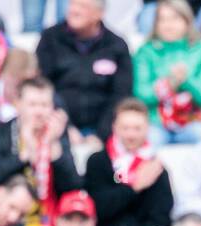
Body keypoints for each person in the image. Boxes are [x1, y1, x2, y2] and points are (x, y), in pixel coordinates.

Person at [0, 75, 82, 226]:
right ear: (17, 104)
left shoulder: (57, 135)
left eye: (45, 105)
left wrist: (55, 150)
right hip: (10, 224)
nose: (39, 112)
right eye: (32, 105)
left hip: (51, 224)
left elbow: (73, 187)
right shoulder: (0, 131)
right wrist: (24, 157)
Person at [83, 96, 174, 226]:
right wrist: (133, 187)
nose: (131, 135)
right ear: (114, 127)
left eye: (137, 128)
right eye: (125, 128)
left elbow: (160, 218)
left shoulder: (156, 168)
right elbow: (97, 208)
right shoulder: (97, 161)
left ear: (147, 129)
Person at [35, 0, 133, 142]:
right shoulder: (50, 39)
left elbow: (121, 94)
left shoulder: (116, 45)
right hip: (58, 127)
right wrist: (65, 127)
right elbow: (43, 86)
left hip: (105, 131)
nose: (74, 10)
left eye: (82, 6)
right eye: (72, 4)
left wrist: (101, 135)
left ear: (99, 14)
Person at [133, 0, 201, 145]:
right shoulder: (145, 52)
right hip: (156, 122)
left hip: (193, 120)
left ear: (187, 21)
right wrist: (168, 84)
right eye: (163, 19)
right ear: (155, 24)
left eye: (174, 18)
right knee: (148, 140)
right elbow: (140, 94)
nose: (168, 25)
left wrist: (187, 80)